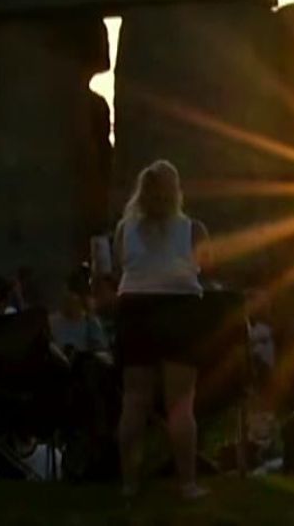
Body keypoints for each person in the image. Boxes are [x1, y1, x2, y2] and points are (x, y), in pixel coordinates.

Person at [114, 161, 211, 500]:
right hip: (179, 310)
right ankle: (186, 484)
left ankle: (129, 484)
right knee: (180, 405)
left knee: (134, 401)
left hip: (135, 309)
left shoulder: (124, 229)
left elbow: (120, 264)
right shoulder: (193, 229)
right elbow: (205, 264)